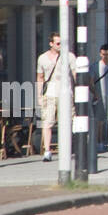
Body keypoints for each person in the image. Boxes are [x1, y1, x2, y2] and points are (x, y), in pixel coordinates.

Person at [35, 33, 74, 161]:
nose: (60, 46)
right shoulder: (42, 58)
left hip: (66, 94)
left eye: (62, 43)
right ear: (51, 44)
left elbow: (75, 74)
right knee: (47, 123)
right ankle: (47, 151)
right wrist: (39, 96)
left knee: (67, 123)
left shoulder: (69, 56)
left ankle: (65, 149)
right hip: (49, 94)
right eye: (58, 43)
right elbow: (40, 78)